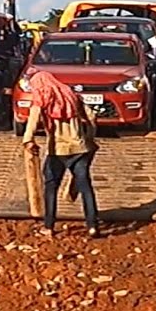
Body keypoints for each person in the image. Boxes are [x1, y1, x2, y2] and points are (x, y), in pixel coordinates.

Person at [22, 70, 100, 238]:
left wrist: (28, 140)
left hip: (57, 150)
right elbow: (92, 116)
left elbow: (33, 120)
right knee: (85, 186)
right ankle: (93, 226)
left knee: (51, 187)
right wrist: (89, 138)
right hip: (80, 148)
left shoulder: (42, 97)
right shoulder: (70, 94)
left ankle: (49, 226)